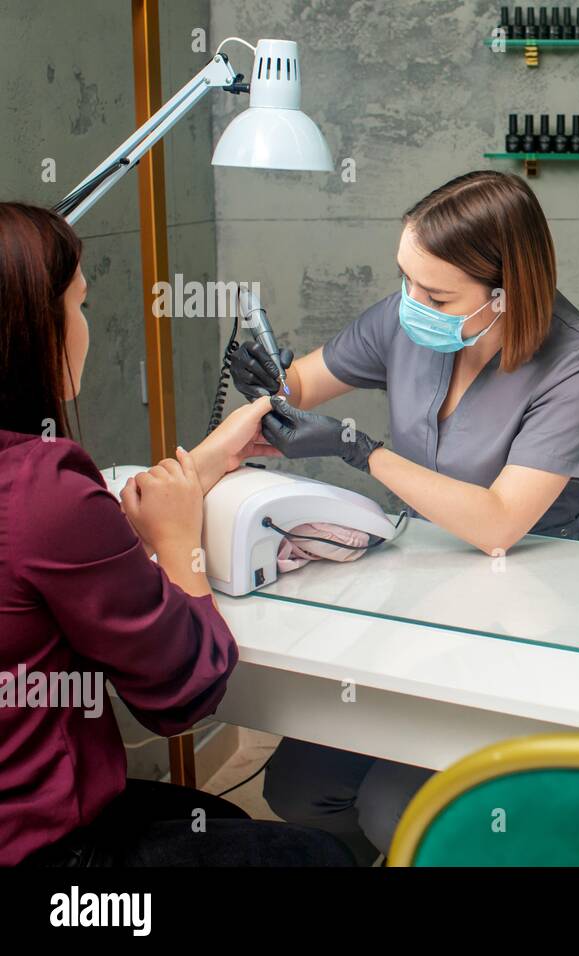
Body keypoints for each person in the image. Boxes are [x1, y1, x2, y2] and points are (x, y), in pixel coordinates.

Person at [241, 170, 579, 862]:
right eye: (406, 279)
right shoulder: (407, 317)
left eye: (436, 293)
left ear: (506, 292)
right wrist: (266, 388)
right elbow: (299, 386)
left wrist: (359, 449)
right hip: (415, 598)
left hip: (523, 618)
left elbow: (501, 524)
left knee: (399, 809)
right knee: (297, 789)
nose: (411, 303)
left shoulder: (577, 363)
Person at [0, 201, 352, 866]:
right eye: (78, 307)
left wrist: (211, 457)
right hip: (46, 857)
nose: (85, 327)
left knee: (210, 818)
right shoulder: (45, 489)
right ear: (29, 329)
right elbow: (182, 692)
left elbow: (49, 560)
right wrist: (179, 544)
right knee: (317, 859)